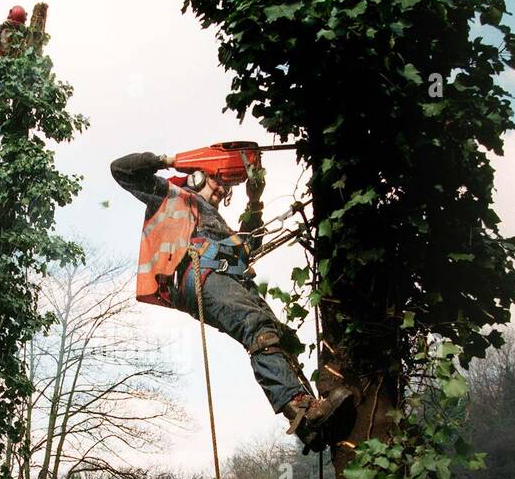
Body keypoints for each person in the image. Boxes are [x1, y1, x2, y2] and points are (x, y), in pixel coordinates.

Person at [111, 151, 355, 450]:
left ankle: (310, 423)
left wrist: (254, 201)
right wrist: (170, 159)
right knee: (255, 325)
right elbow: (121, 170)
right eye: (217, 182)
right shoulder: (169, 194)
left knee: (278, 337)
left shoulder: (216, 219)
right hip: (197, 274)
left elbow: (249, 244)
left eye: (226, 190)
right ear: (198, 176)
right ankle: (301, 410)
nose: (222, 191)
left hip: (224, 278)